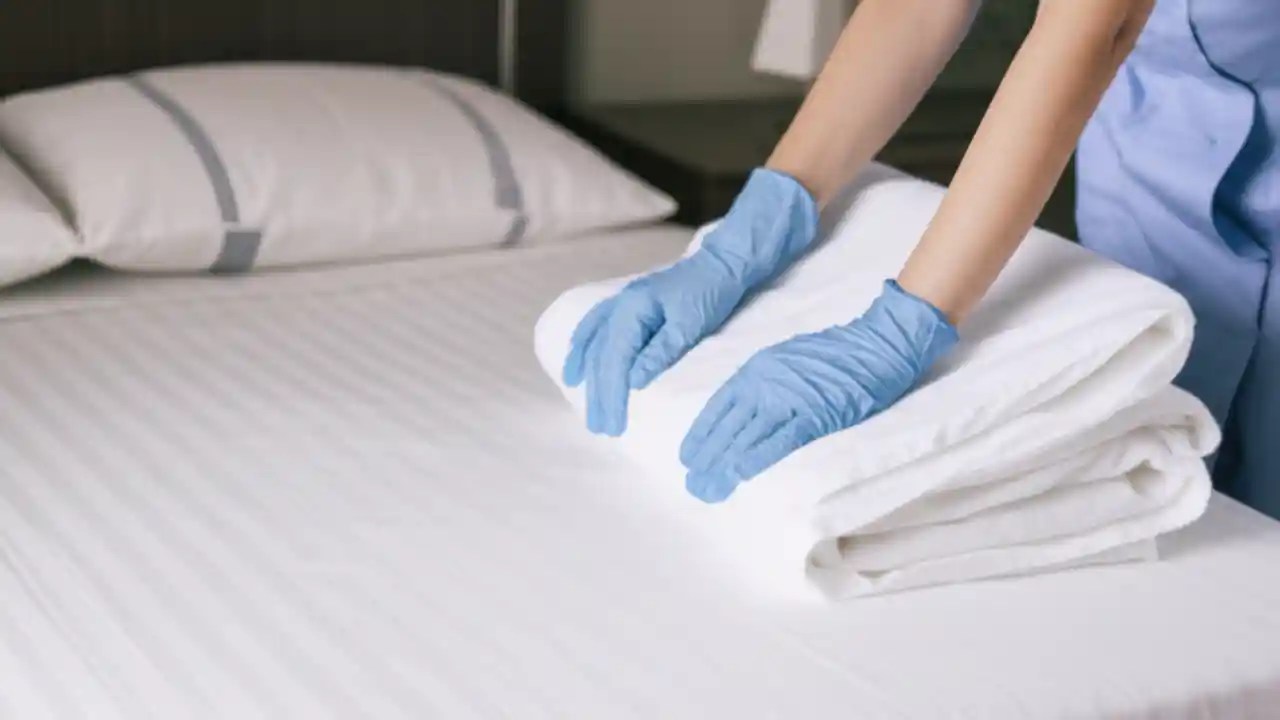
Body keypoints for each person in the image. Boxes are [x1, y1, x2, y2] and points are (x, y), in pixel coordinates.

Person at [565, 0, 1279, 516]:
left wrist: (906, 323)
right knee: (1162, 488)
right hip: (1153, 153)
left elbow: (1095, 22)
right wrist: (756, 226)